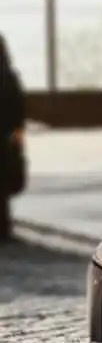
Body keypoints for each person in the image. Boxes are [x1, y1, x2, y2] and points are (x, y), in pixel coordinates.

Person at [0, 34, 25, 242]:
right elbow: (18, 108)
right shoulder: (10, 77)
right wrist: (17, 133)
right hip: (6, 140)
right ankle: (4, 227)